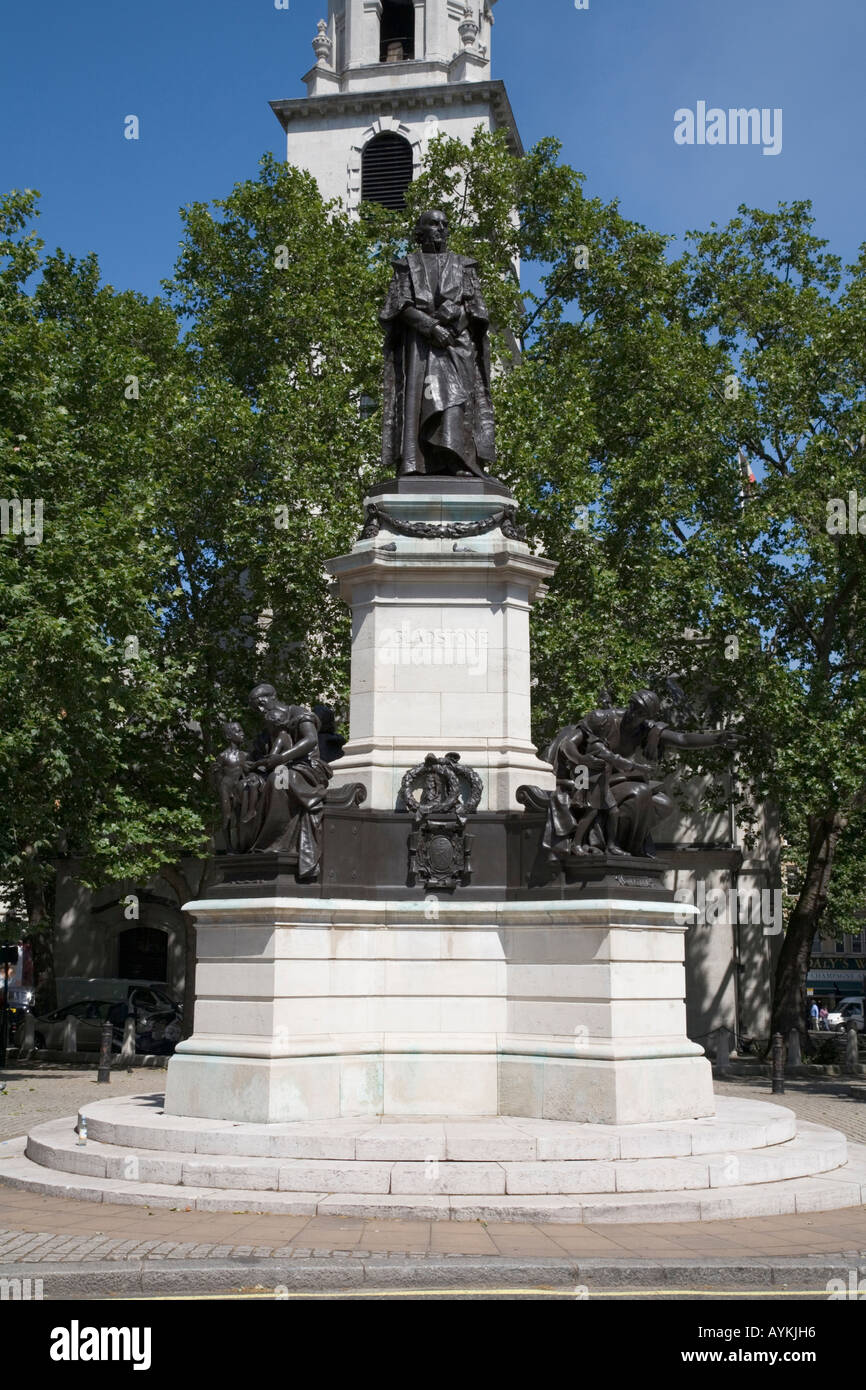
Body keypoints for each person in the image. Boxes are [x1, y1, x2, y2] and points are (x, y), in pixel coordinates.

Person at [380, 210, 496, 478]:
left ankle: (457, 460)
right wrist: (431, 327)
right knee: (420, 400)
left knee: (456, 401)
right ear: (419, 231)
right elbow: (399, 307)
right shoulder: (406, 266)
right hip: (420, 346)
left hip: (457, 344)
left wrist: (453, 324)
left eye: (445, 224)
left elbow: (476, 309)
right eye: (433, 224)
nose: (440, 228)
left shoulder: (464, 266)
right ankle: (418, 462)